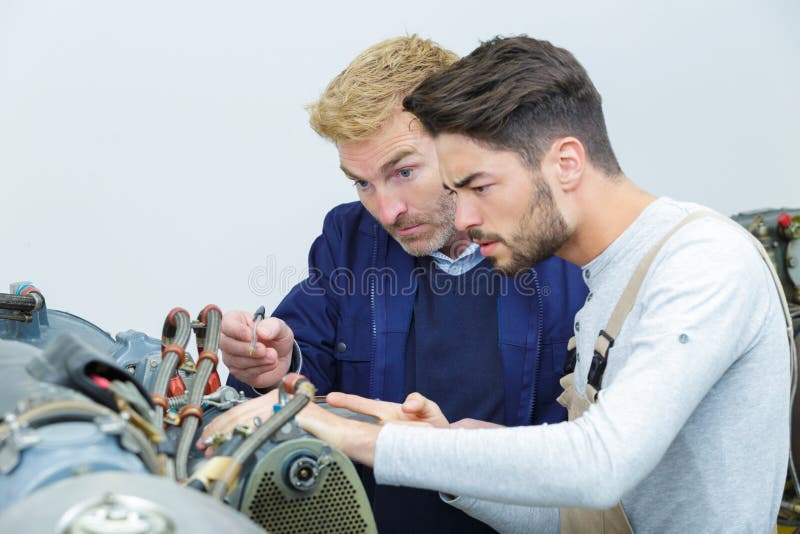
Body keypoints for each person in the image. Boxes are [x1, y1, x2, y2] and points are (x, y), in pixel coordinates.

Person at [208, 36, 795, 533]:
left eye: (479, 186)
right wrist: (443, 451)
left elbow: (598, 464)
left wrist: (345, 432)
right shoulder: (610, 275)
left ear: (564, 163)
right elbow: (582, 515)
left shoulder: (703, 263)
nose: (463, 217)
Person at [210, 36, 587, 532]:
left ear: (463, 142)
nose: (387, 210)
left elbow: (599, 456)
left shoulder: (570, 255)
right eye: (362, 182)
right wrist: (275, 363)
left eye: (404, 171)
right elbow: (301, 367)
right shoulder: (349, 239)